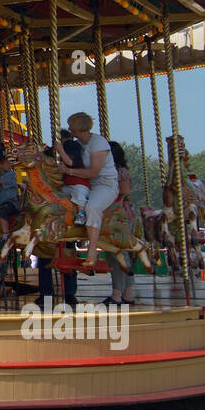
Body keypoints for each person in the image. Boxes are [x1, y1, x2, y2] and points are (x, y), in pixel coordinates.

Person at [59, 112, 122, 303]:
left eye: (71, 127)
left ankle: (92, 250)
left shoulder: (98, 143)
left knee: (92, 207)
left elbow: (94, 171)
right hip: (85, 184)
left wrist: (68, 170)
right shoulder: (78, 145)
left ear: (79, 128)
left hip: (103, 185)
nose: (70, 130)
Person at [53, 129, 92, 226]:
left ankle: (81, 214)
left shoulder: (71, 146)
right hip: (68, 185)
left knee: (79, 194)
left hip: (80, 183)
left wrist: (61, 150)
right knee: (56, 194)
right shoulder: (69, 147)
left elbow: (70, 162)